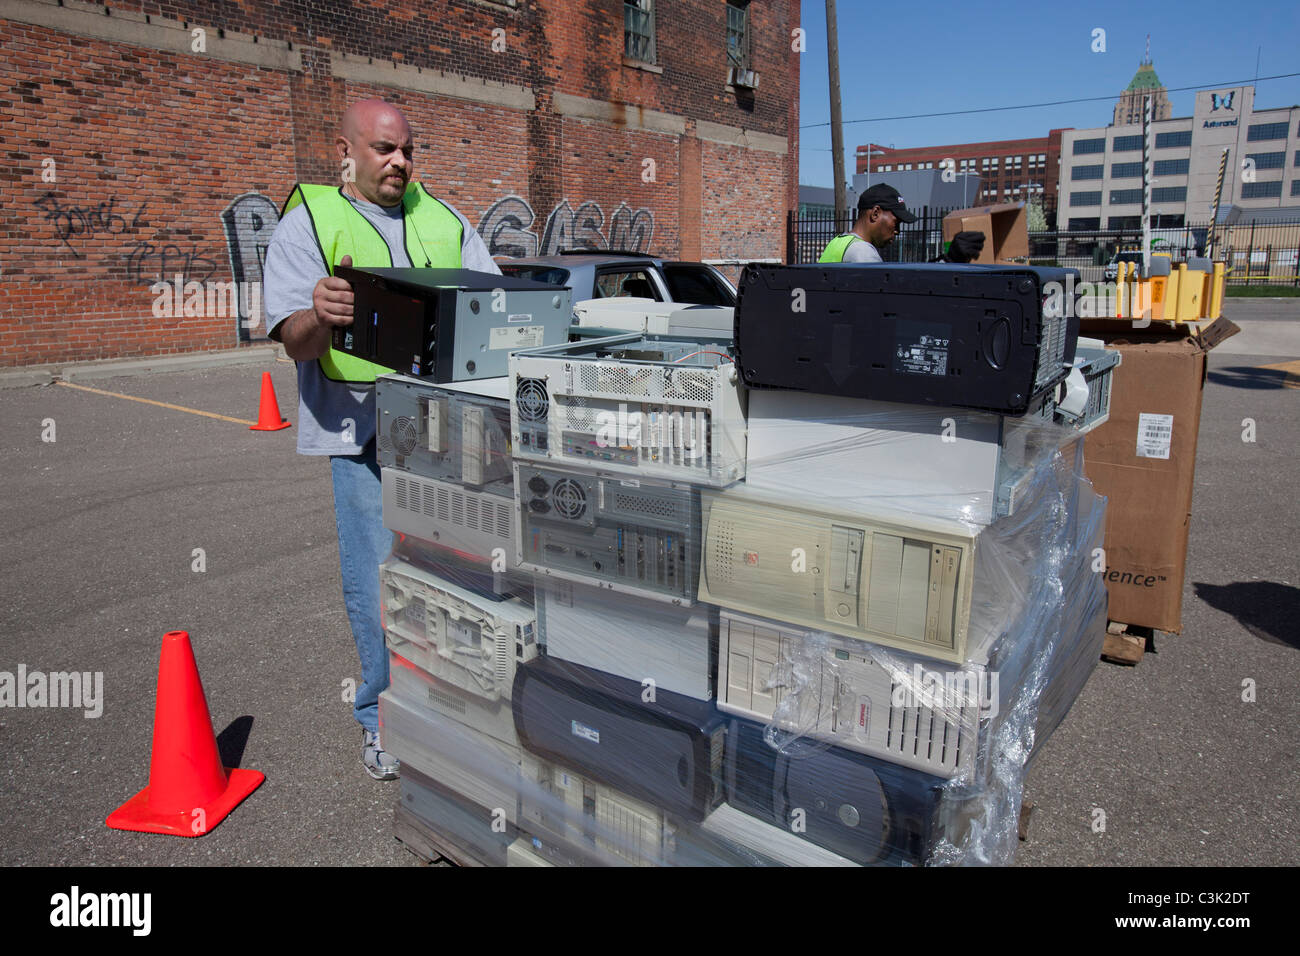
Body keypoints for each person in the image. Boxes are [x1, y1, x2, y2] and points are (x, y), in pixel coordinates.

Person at [263, 99, 500, 780]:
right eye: (383, 149)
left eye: (407, 151)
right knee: (376, 582)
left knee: (458, 575)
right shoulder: (310, 220)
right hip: (360, 433)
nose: (399, 163)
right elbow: (294, 344)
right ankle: (381, 720)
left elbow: (493, 301)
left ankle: (457, 707)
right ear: (347, 150)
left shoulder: (443, 217)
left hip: (447, 434)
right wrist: (318, 312)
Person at [819, 182, 984, 264]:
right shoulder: (862, 252)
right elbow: (900, 294)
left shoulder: (839, 242)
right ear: (875, 213)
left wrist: (945, 260)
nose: (897, 231)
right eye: (896, 223)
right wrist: (951, 259)